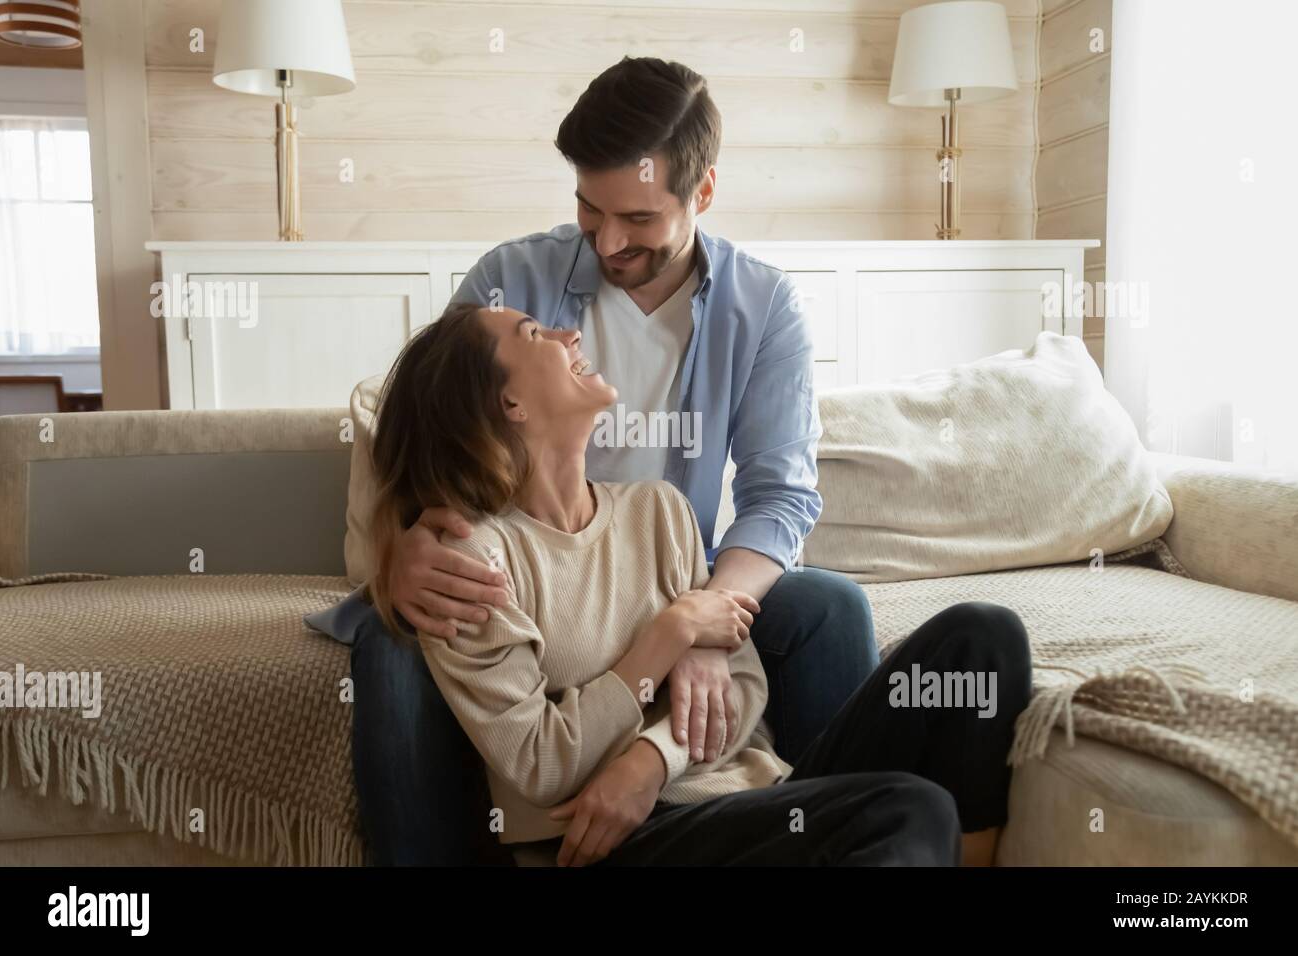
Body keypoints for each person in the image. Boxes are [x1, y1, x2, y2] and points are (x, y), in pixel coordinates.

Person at [311, 57, 884, 864]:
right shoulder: (510, 280)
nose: (608, 241)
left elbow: (779, 498)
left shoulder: (763, 308)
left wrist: (706, 625)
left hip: (669, 577)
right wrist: (399, 548)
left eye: (638, 219)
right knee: (392, 637)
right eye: (589, 208)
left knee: (829, 608)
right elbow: (431, 430)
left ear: (703, 193)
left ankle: (824, 832)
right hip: (534, 588)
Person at [365, 301, 1033, 866]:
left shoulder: (658, 511)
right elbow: (543, 764)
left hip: (742, 802)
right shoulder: (471, 567)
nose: (570, 335)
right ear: (508, 401)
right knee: (909, 809)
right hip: (618, 844)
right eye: (536, 336)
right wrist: (672, 631)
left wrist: (649, 759)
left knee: (982, 639)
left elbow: (741, 687)